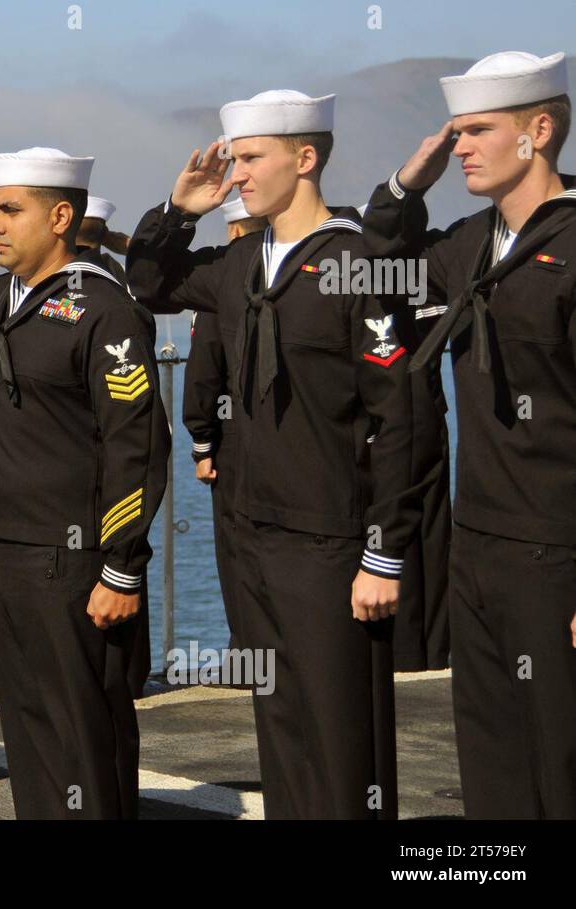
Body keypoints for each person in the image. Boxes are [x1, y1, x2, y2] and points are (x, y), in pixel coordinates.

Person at [127, 91, 420, 818]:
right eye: (234, 156)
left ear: (306, 157)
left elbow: (400, 421)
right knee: (281, 726)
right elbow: (150, 281)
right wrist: (179, 210)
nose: (238, 172)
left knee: (339, 735)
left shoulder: (361, 263)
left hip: (329, 538)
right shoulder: (238, 263)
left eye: (252, 157)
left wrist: (383, 555)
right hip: (250, 533)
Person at [0, 148, 168, 819]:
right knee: (28, 733)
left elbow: (137, 444)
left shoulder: (103, 309)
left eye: (10, 210)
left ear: (59, 216)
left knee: (85, 734)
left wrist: (122, 567)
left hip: (75, 559)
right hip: (5, 551)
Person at [362, 50, 576, 818]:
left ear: (539, 131)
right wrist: (402, 187)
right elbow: (379, 265)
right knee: (492, 767)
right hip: (476, 545)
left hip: (558, 553)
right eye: (457, 133)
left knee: (562, 762)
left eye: (479, 130)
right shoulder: (466, 245)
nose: (461, 148)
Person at [183, 194, 266, 661]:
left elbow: (204, 370)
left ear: (233, 232)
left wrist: (201, 442)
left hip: (233, 440)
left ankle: (247, 650)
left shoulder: (221, 283)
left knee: (237, 547)